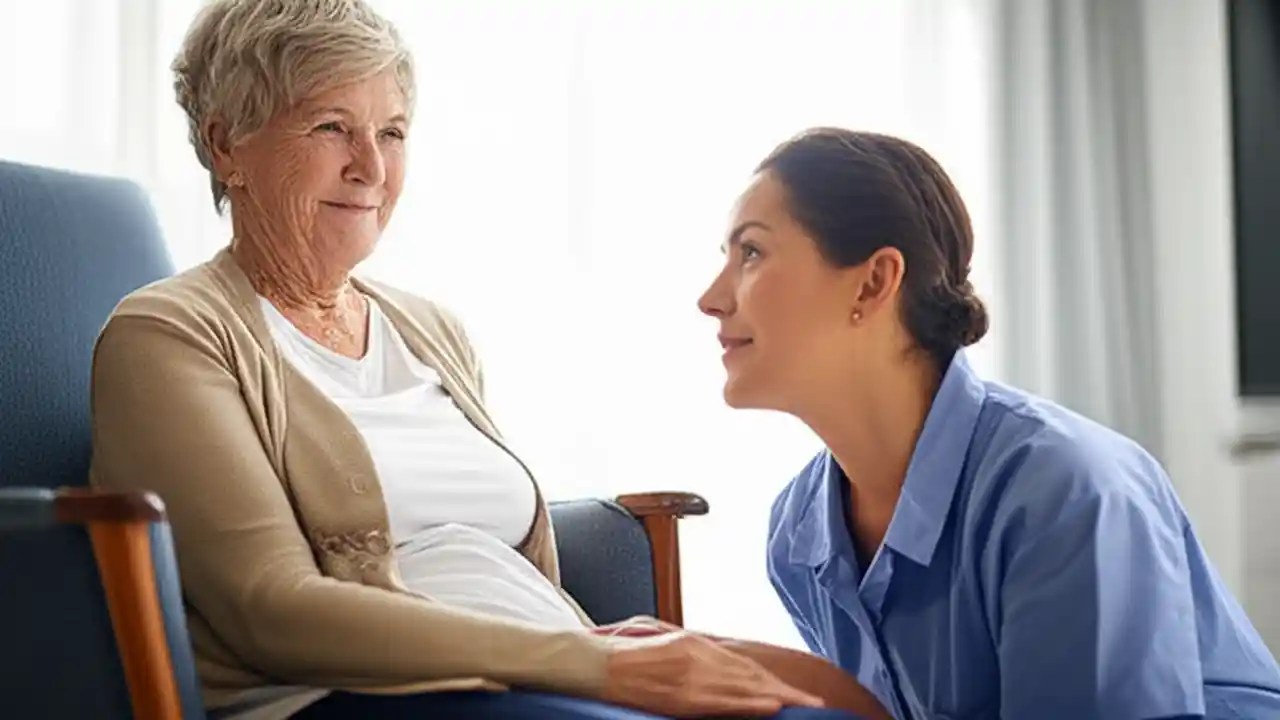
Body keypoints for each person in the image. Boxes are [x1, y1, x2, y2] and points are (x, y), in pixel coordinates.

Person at [89, 2, 889, 719]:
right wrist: (598, 665)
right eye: (332, 126)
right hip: (353, 697)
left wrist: (603, 647)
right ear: (227, 142)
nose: (370, 166)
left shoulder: (429, 327)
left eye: (392, 131)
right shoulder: (167, 336)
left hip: (544, 670)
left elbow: (501, 559)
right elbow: (272, 608)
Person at [697, 127, 1280, 719]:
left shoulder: (1066, 489)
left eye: (751, 253)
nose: (711, 298)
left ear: (874, 283)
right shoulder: (798, 536)